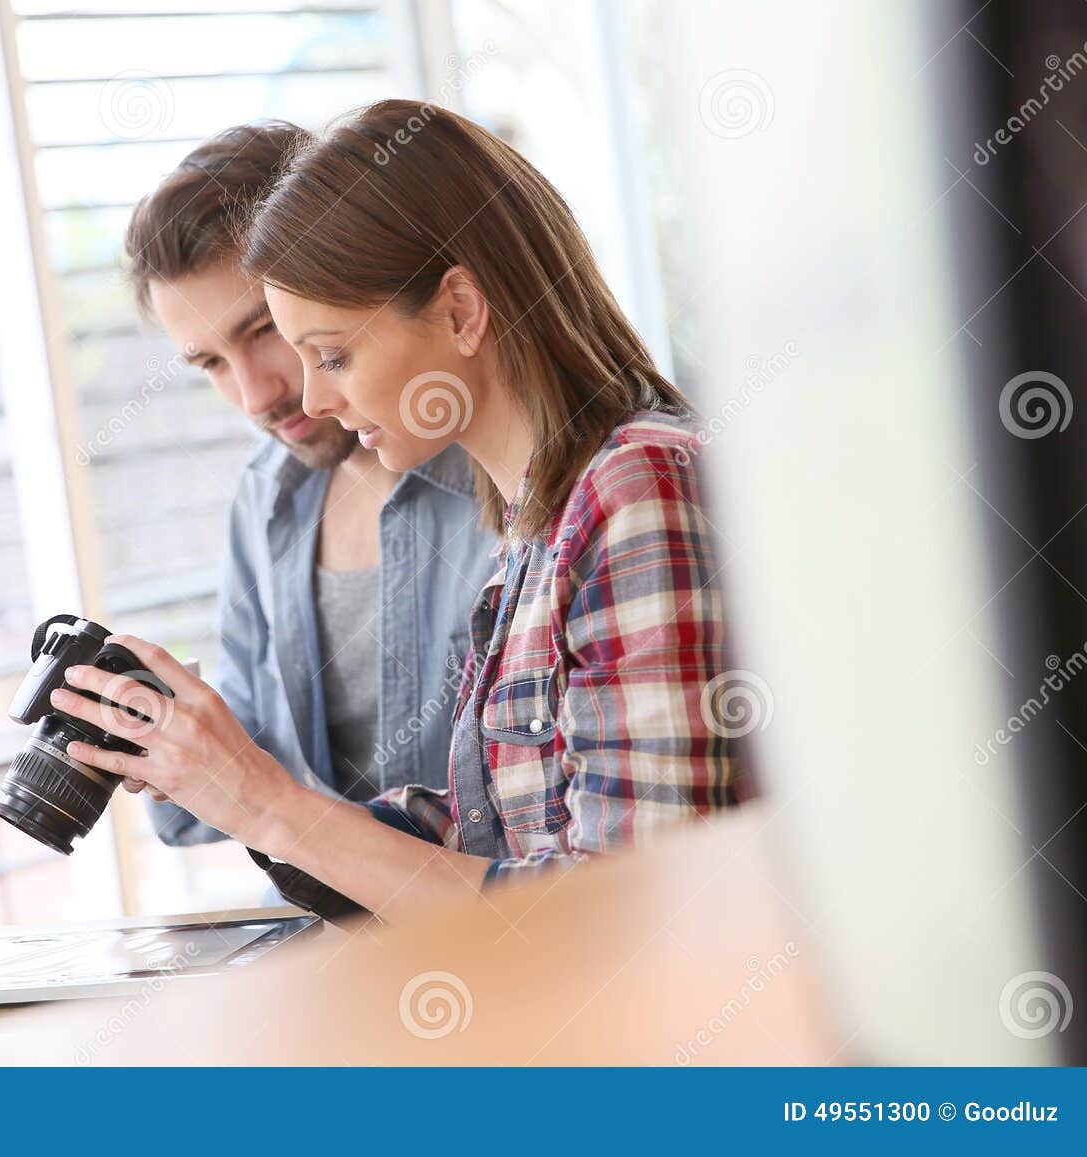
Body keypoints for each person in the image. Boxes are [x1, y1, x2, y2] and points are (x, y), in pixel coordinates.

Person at [65, 101, 744, 914]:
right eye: (212, 361)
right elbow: (490, 828)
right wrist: (216, 774)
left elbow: (637, 911)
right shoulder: (535, 519)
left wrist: (268, 803)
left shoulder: (634, 490)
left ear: (459, 312)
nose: (304, 395)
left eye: (334, 354)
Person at [121, 122, 501, 845]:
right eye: (209, 364)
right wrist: (160, 741)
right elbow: (254, 761)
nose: (255, 393)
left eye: (264, 329)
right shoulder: (266, 497)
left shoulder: (516, 477)